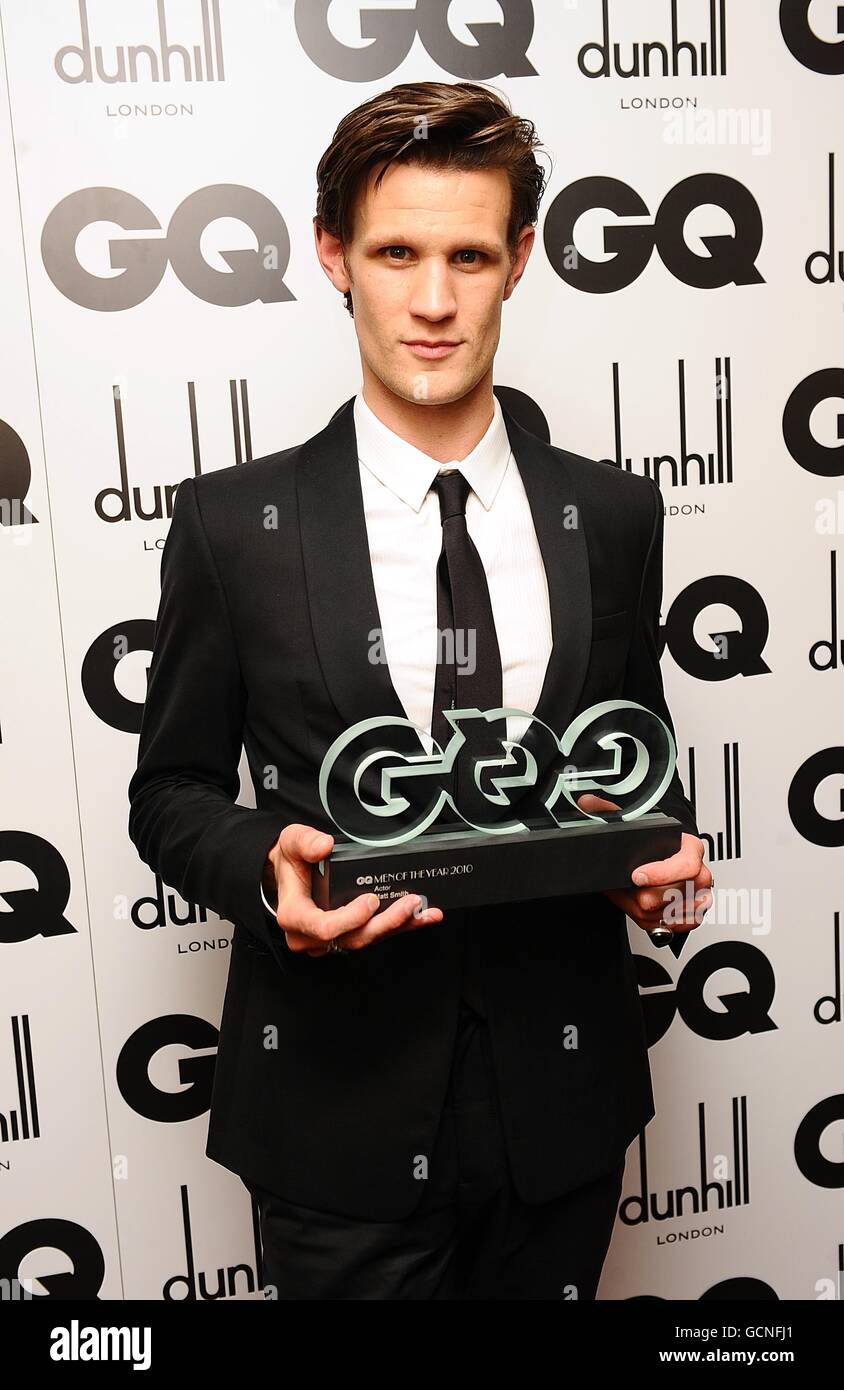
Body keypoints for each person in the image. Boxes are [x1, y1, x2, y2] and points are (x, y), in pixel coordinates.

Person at [128, 80, 711, 1300]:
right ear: (335, 256)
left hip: (561, 1114)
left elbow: (630, 753)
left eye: (468, 254)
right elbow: (171, 790)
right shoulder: (236, 526)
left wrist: (649, 862)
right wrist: (264, 871)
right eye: (396, 252)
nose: (434, 302)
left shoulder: (609, 513)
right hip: (334, 1122)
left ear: (520, 261)